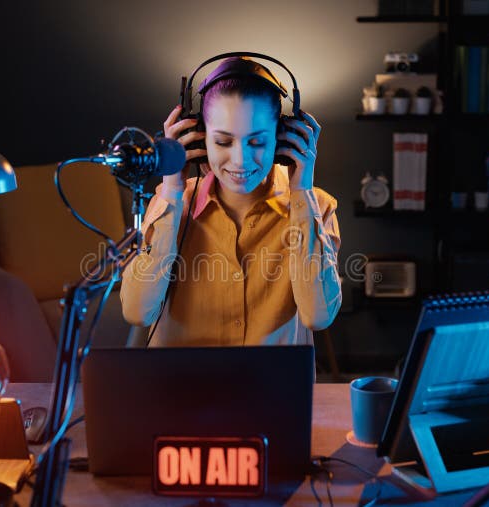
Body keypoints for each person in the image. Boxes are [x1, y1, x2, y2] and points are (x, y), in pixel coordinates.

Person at [120, 57, 341, 347]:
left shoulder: (317, 207)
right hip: (181, 388)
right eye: (223, 142)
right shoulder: (172, 204)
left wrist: (302, 192)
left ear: (283, 139)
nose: (240, 160)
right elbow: (137, 312)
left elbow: (318, 316)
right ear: (198, 140)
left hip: (271, 390)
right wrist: (171, 189)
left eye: (257, 142)